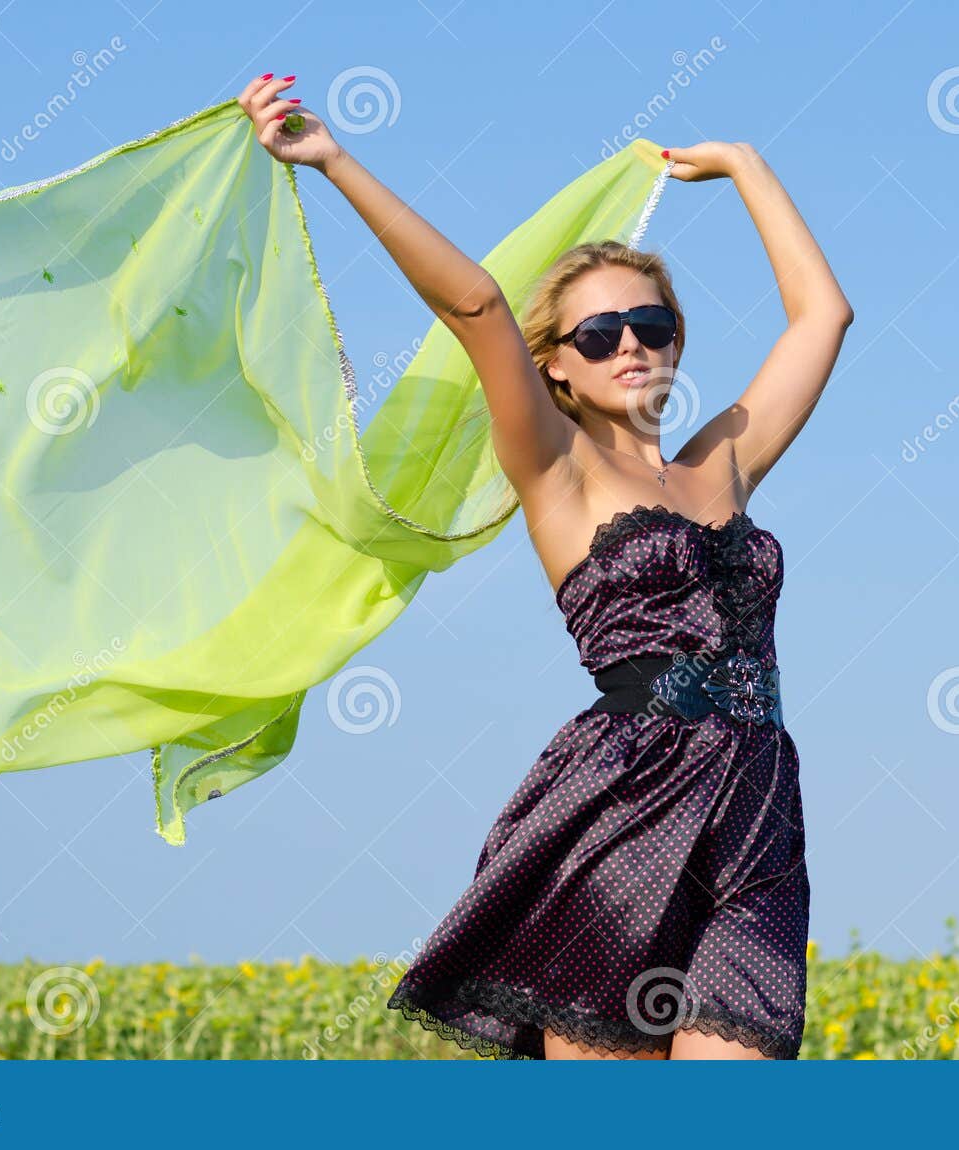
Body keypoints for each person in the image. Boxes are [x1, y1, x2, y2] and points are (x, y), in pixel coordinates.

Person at [237, 72, 853, 1060]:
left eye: (651, 326)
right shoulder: (556, 469)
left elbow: (822, 318)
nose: (629, 347)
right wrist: (333, 160)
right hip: (625, 797)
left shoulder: (719, 466)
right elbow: (477, 304)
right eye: (598, 334)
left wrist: (745, 165)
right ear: (556, 364)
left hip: (758, 803)